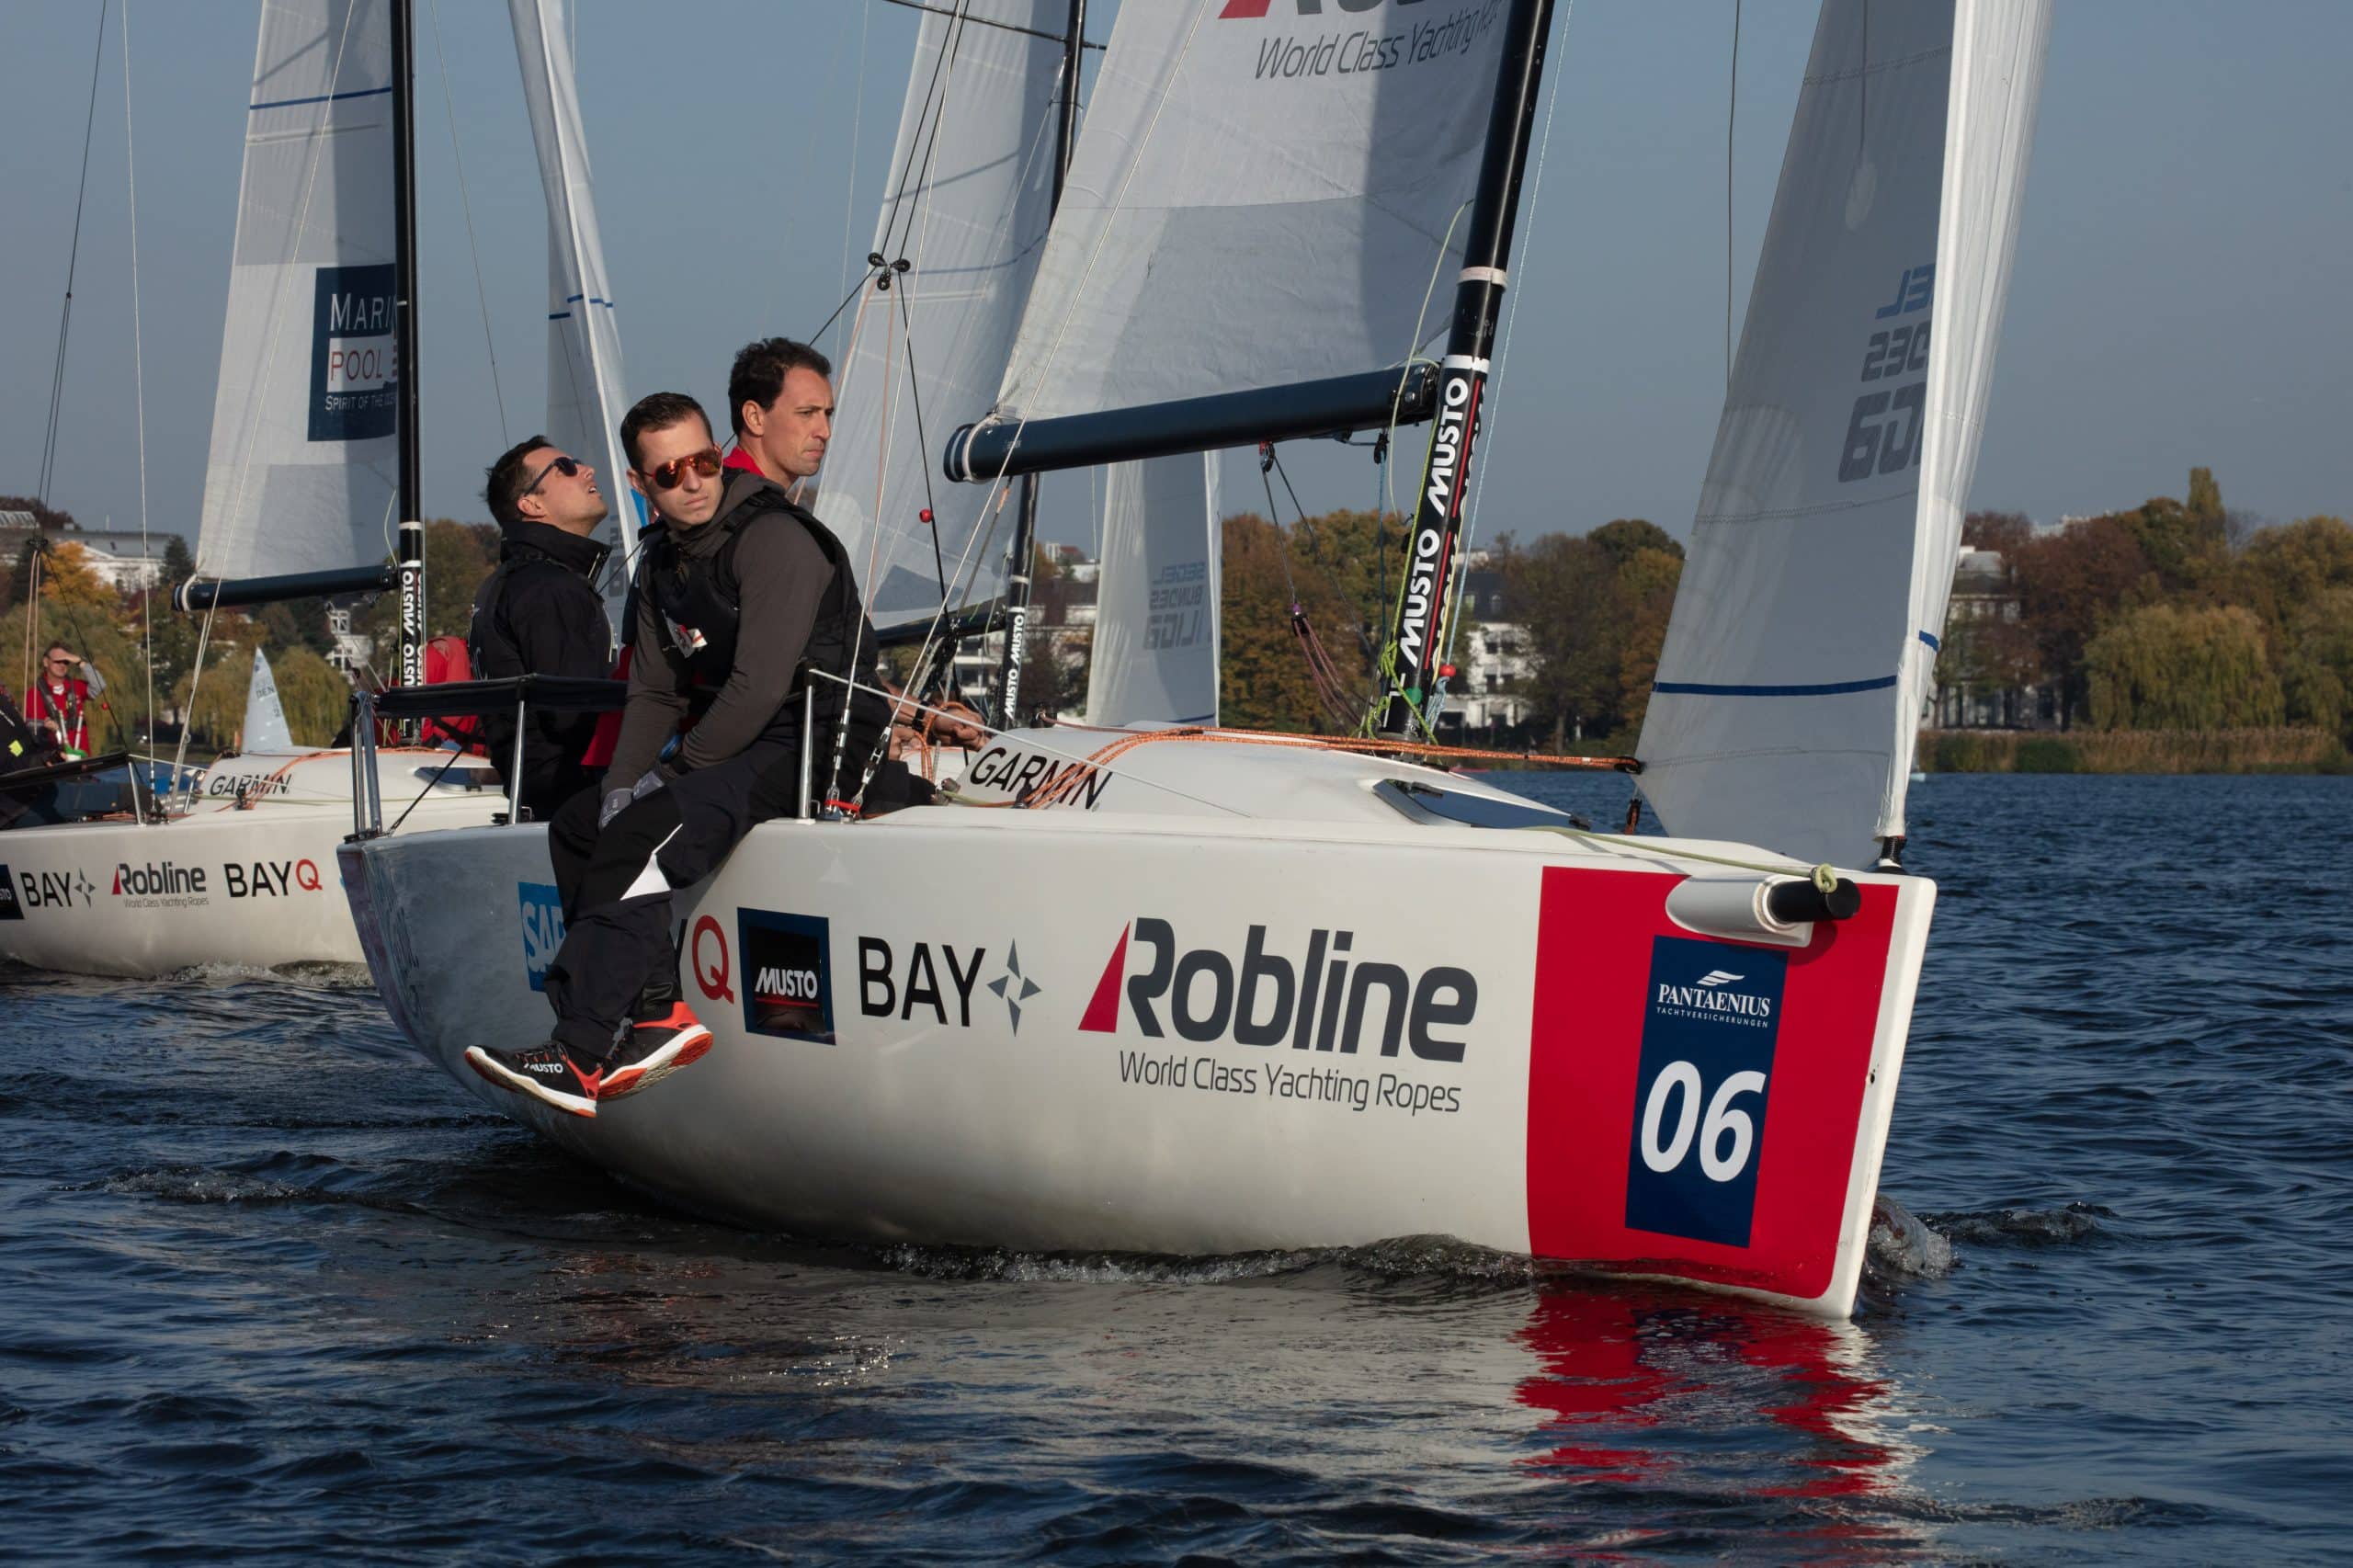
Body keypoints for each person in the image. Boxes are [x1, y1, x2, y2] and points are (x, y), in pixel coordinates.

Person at [465, 386, 895, 1118]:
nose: (692, 481)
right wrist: (619, 785)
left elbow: (760, 689)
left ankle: (579, 1050)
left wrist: (668, 775)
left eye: (701, 461)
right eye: (669, 473)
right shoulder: (661, 561)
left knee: (638, 834)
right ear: (642, 484)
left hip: (813, 738)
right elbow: (655, 691)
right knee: (582, 824)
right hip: (741, 736)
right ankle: (658, 1008)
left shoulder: (774, 539)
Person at [469, 436, 618, 819]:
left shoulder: (508, 582)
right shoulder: (550, 587)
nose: (587, 469)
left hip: (539, 800)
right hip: (575, 803)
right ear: (531, 504)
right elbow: (575, 715)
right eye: (566, 467)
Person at [25, 644, 93, 757]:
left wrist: (80, 662)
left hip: (83, 762)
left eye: (66, 662)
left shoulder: (77, 686)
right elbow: (34, 733)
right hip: (55, 764)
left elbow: (99, 686)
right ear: (46, 662)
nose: (62, 665)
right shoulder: (33, 695)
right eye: (58, 661)